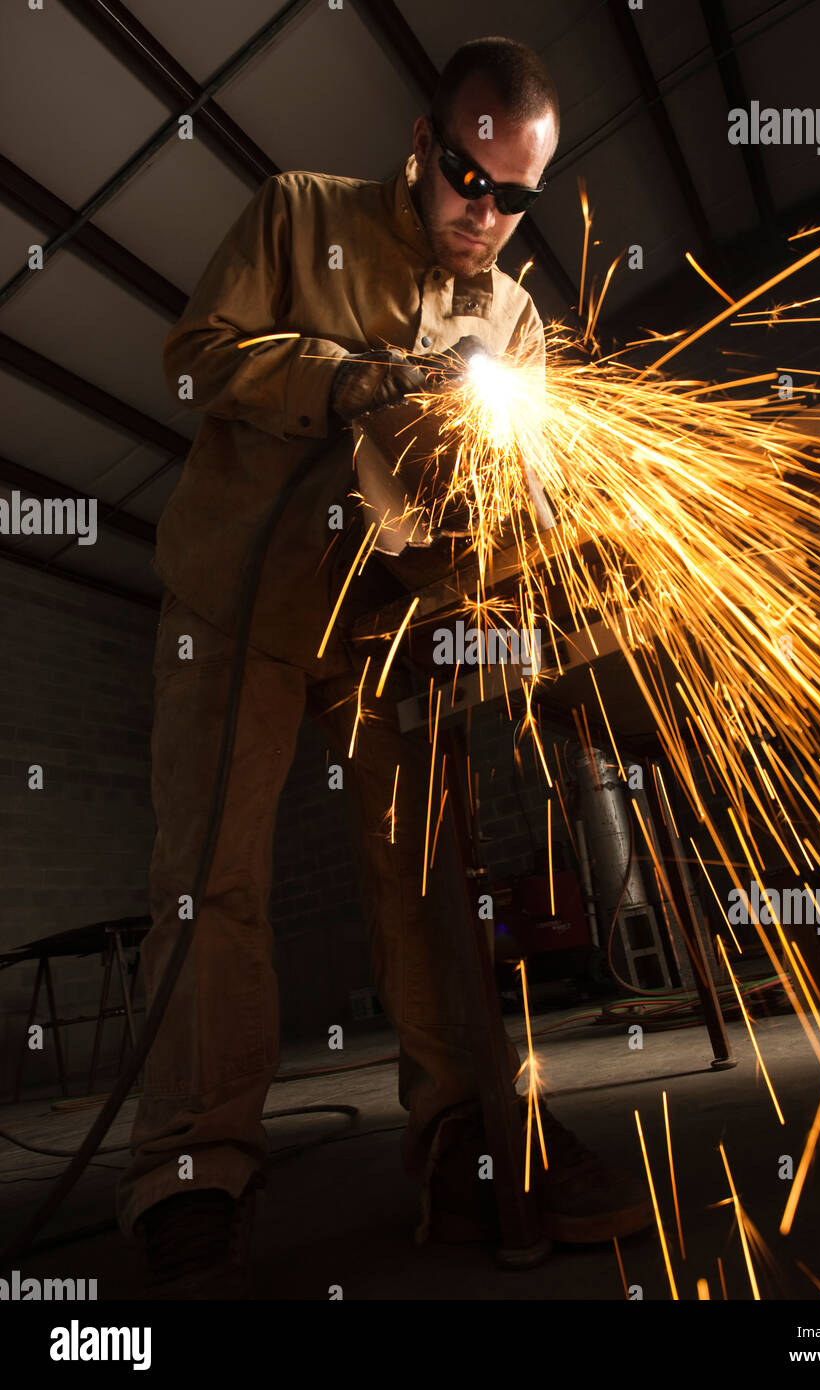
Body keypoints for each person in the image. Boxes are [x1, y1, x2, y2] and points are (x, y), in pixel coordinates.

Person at [117, 34, 653, 1299]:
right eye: (472, 181)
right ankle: (195, 1167)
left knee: (424, 872)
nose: (489, 217)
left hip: (384, 626)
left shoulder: (515, 317)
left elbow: (506, 490)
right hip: (236, 598)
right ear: (423, 144)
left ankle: (462, 1129)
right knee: (212, 879)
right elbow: (195, 352)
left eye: (517, 198)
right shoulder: (301, 213)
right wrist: (346, 379)